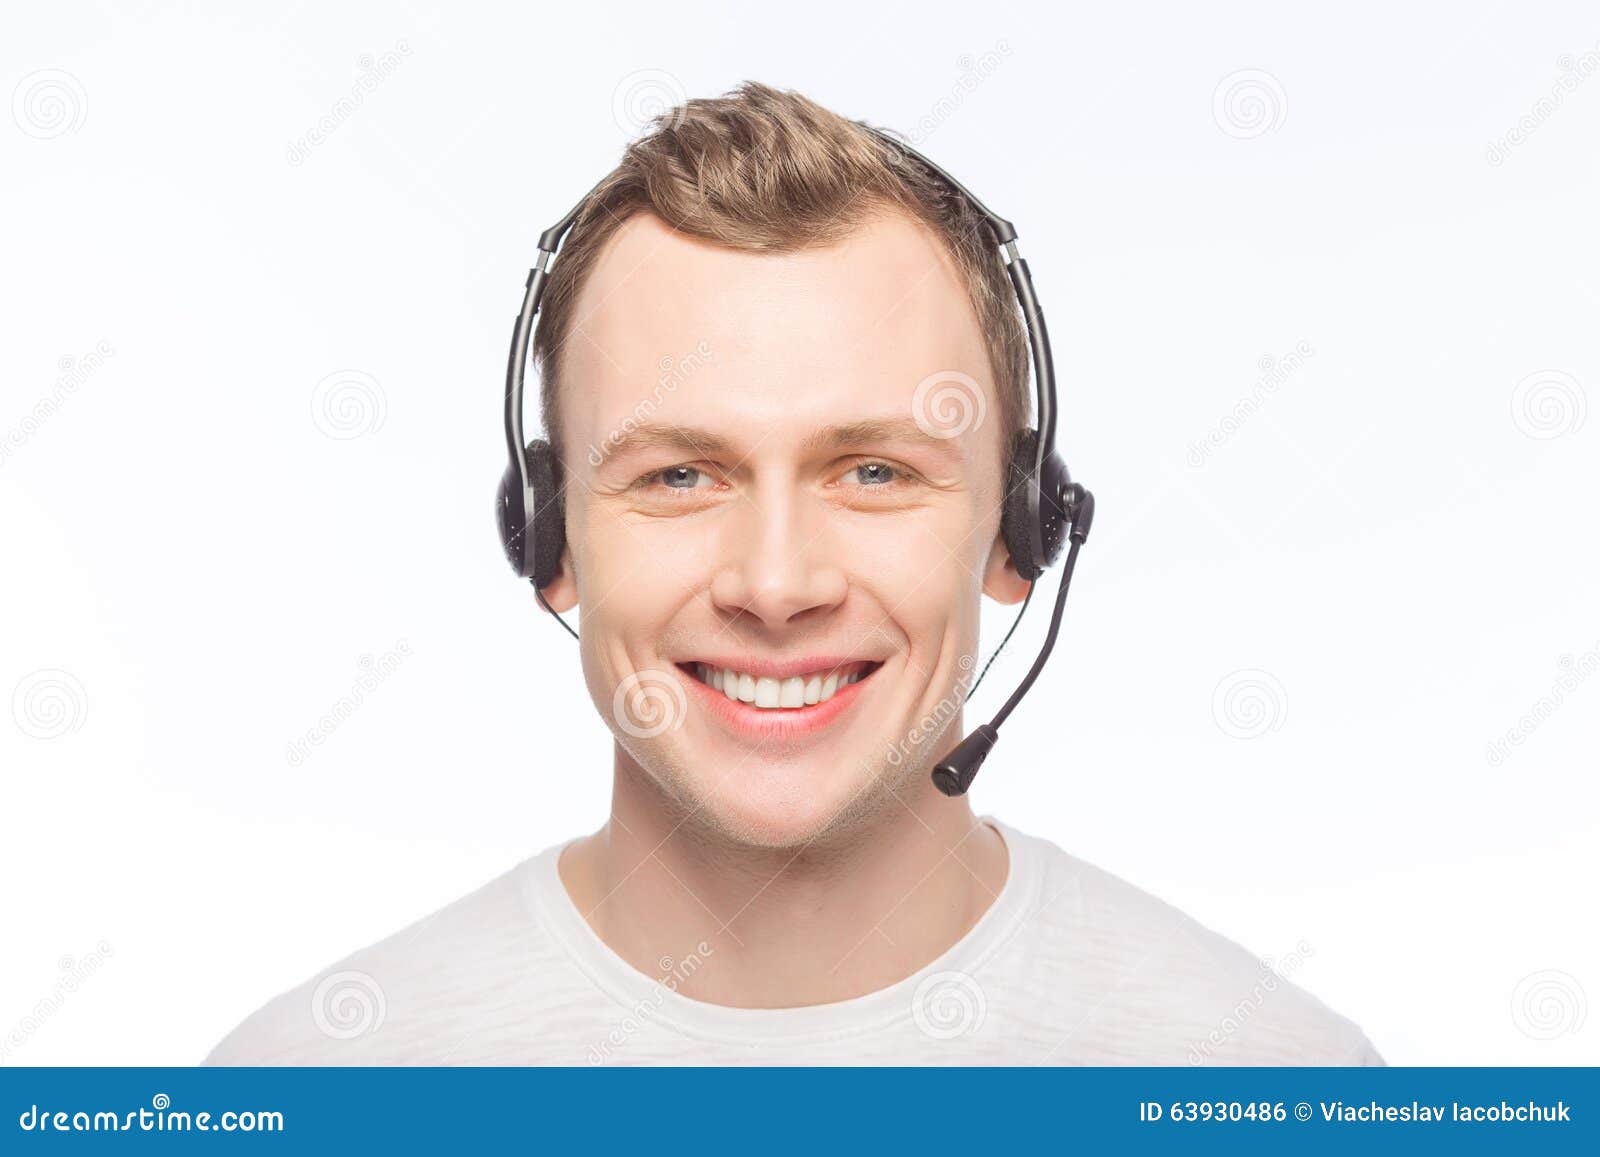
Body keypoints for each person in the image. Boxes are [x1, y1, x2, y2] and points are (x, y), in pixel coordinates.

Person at [204, 81, 1381, 1066]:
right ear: (550, 540)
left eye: (872, 470)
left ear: (1019, 533)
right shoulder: (311, 1081)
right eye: (679, 476)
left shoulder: (1275, 1078)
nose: (775, 584)